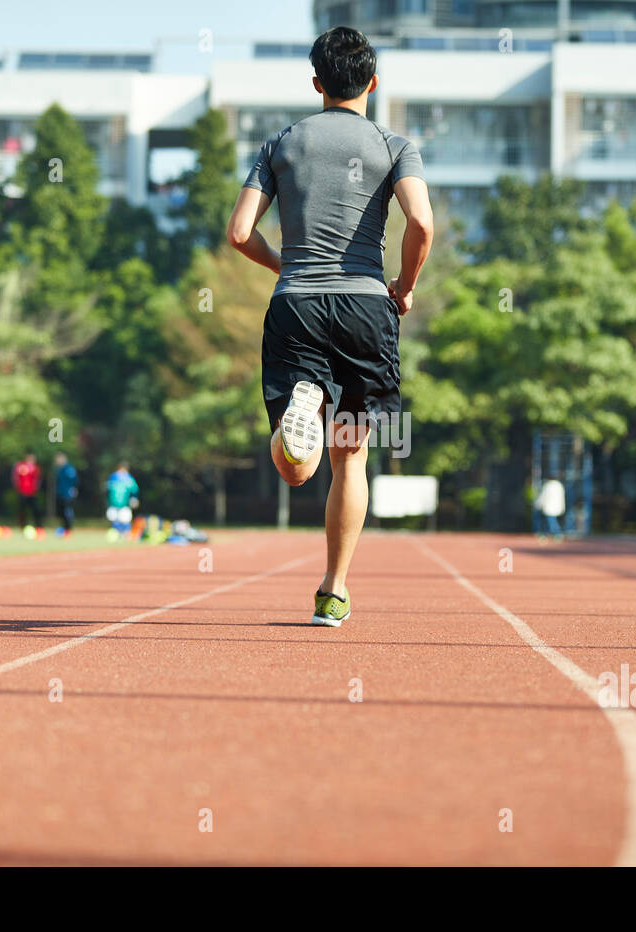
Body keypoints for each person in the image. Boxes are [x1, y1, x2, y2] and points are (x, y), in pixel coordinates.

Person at [226, 26, 433, 627]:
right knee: (350, 456)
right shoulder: (395, 146)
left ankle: (303, 397)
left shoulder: (280, 145)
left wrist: (285, 261)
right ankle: (334, 589)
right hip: (366, 307)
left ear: (316, 83)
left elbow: (239, 232)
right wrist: (404, 284)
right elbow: (420, 222)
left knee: (296, 469)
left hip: (297, 303)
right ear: (372, 82)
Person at [105, 463, 139, 534]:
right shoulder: (113, 477)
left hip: (125, 503)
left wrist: (134, 498)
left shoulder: (129, 477)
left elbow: (134, 489)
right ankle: (117, 533)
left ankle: (126, 533)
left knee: (125, 518)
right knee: (114, 518)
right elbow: (108, 489)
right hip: (113, 502)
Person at [11, 452, 42, 529]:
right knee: (22, 511)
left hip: (32, 493)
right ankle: (22, 526)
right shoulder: (20, 466)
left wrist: (36, 489)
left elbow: (38, 479)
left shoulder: (35, 467)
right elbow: (16, 478)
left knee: (36, 510)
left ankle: (38, 526)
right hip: (22, 493)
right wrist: (18, 488)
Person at [54, 452, 78, 535]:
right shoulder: (59, 469)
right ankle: (64, 528)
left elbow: (74, 481)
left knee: (67, 511)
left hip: (67, 494)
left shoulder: (69, 468)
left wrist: (73, 490)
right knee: (61, 512)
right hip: (60, 494)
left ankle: (69, 528)